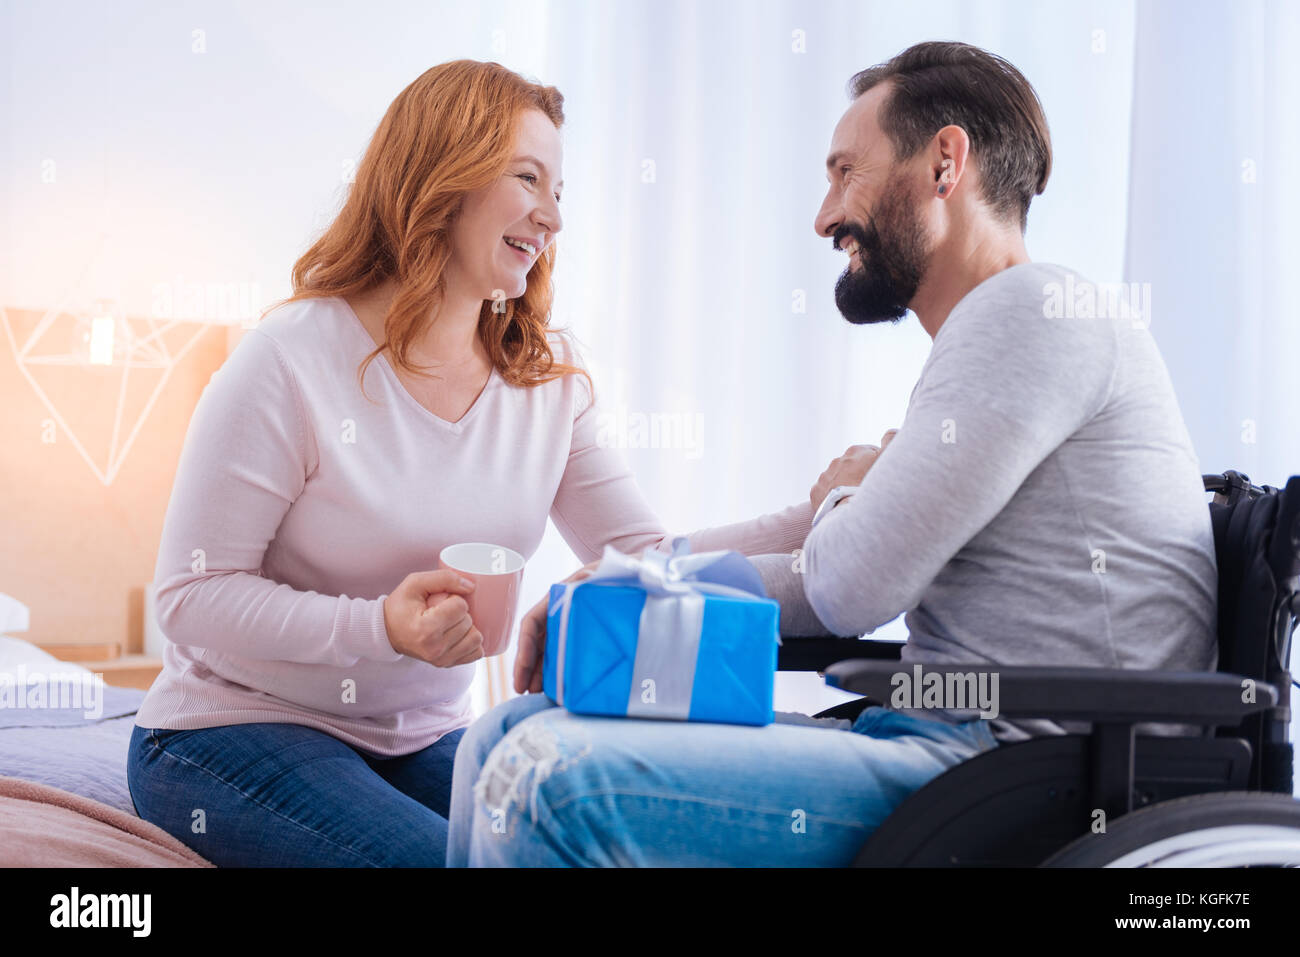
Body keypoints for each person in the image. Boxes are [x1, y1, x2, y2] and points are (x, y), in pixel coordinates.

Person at [446, 40, 1218, 867]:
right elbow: (823, 549)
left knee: (535, 777)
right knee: (501, 732)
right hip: (950, 745)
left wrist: (849, 496)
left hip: (1014, 775)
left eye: (846, 171)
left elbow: (849, 583)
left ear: (944, 164)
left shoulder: (1030, 315)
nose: (824, 215)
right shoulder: (1000, 330)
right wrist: (629, 575)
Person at [125, 59, 840, 867]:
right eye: (527, 177)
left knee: (591, 848)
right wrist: (378, 627)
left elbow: (650, 560)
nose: (552, 217)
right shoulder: (290, 360)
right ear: (440, 176)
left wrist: (821, 515)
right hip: (231, 730)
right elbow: (189, 594)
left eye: (560, 191)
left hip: (425, 736)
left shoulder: (543, 383)